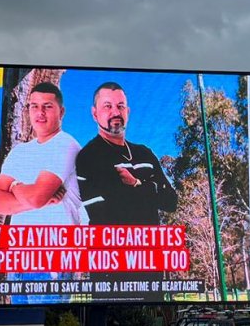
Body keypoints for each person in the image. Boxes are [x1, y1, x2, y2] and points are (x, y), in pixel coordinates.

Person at [76, 82, 178, 225]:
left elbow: (171, 201)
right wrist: (151, 188)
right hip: (112, 246)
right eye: (107, 106)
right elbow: (105, 213)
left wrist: (135, 183)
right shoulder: (88, 157)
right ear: (95, 114)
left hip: (152, 245)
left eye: (120, 106)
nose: (116, 112)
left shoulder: (145, 153)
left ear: (128, 112)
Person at [0, 82, 86, 226]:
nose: (40, 112)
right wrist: (41, 202)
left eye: (47, 106)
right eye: (34, 106)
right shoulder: (19, 152)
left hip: (60, 245)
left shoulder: (66, 145)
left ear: (62, 112)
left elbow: (36, 198)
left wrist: (15, 187)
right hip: (21, 245)